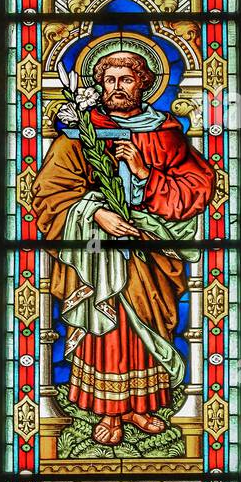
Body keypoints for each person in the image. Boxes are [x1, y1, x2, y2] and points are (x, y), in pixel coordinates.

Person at [32, 50, 214, 447]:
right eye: (110, 79)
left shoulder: (164, 131)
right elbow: (49, 192)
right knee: (107, 325)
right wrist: (97, 214)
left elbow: (198, 187)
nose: (116, 87)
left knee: (147, 324)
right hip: (96, 253)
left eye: (126, 80)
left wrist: (145, 174)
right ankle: (108, 413)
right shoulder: (81, 131)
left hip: (149, 248)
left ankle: (140, 406)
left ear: (144, 83)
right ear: (100, 84)